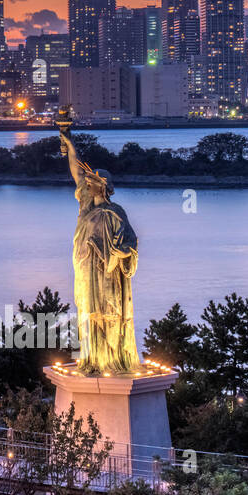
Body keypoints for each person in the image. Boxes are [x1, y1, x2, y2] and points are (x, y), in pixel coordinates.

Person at [60, 126, 140, 375]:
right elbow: (75, 170)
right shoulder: (86, 208)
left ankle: (111, 357)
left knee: (107, 313)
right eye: (88, 180)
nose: (87, 183)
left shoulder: (115, 212)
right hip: (85, 270)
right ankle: (92, 356)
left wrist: (119, 253)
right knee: (87, 311)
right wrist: (69, 142)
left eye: (92, 181)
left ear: (102, 186)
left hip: (107, 273)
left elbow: (131, 244)